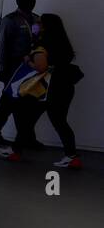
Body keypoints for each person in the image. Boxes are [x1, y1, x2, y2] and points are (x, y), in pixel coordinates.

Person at [26, 13, 84, 169]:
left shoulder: (45, 43)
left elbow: (41, 67)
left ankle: (71, 156)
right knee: (58, 121)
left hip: (50, 89)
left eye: (39, 23)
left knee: (37, 119)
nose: (37, 25)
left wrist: (28, 61)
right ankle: (72, 156)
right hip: (65, 87)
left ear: (46, 26)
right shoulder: (63, 43)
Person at [0, 0, 40, 146]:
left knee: (25, 105)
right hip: (13, 69)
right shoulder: (10, 20)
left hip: (31, 69)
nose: (30, 3)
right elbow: (2, 45)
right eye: (26, 0)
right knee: (11, 103)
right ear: (18, 1)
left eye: (32, 0)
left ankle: (25, 138)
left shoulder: (37, 20)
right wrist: (1, 68)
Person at [0, 47, 51, 162]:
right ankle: (19, 148)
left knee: (23, 121)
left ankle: (16, 149)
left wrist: (28, 61)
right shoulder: (41, 49)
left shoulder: (38, 50)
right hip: (33, 91)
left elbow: (40, 67)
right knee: (25, 121)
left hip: (25, 90)